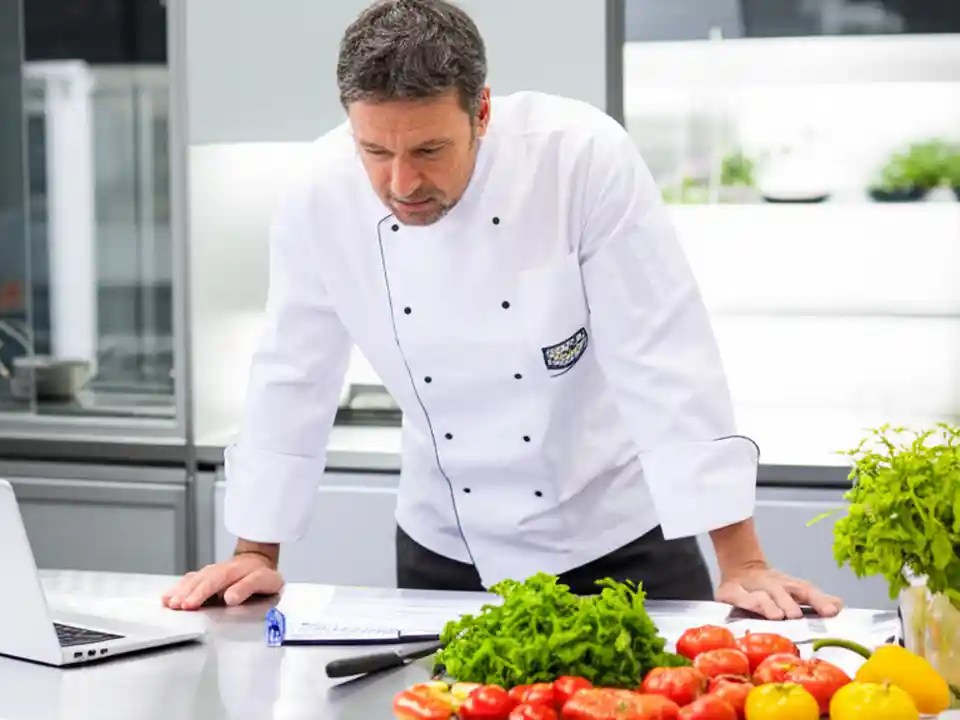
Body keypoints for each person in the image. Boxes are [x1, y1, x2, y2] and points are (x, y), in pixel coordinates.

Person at [163, 0, 843, 620]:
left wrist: (742, 560)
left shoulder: (579, 158)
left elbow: (663, 358)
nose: (401, 183)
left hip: (614, 538)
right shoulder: (320, 193)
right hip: (445, 549)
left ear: (481, 112)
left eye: (429, 150)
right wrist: (256, 551)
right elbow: (292, 372)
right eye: (375, 150)